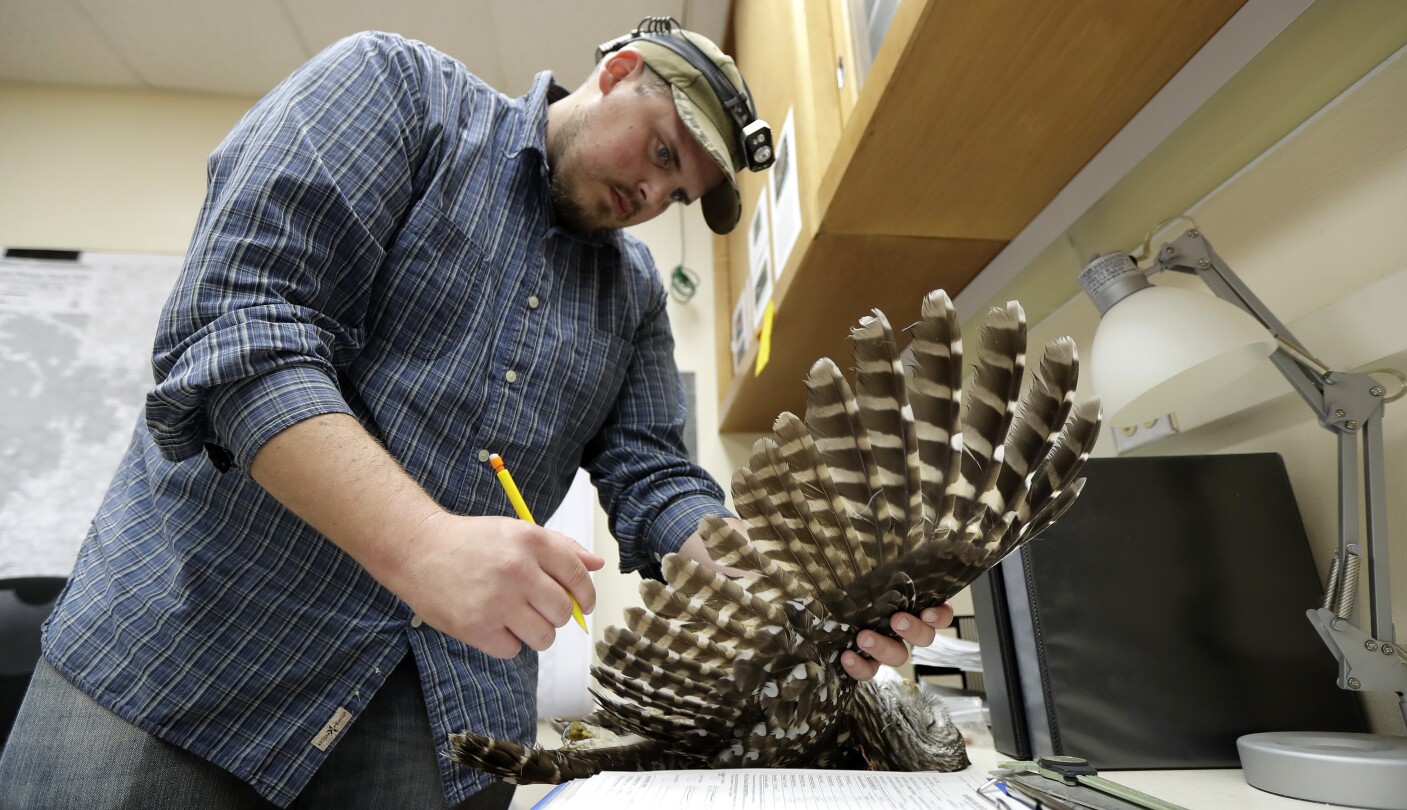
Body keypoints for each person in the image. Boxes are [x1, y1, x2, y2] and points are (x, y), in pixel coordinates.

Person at [0, 23, 952, 809]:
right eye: (661, 152)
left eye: (679, 191)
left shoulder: (634, 295)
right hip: (190, 663)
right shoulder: (395, 94)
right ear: (617, 68)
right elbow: (242, 329)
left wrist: (776, 582)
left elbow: (654, 475)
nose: (653, 195)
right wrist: (424, 547)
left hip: (442, 726)